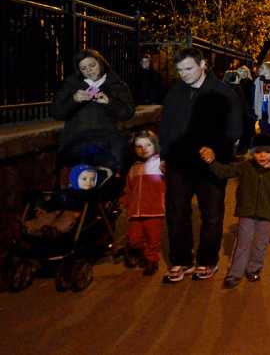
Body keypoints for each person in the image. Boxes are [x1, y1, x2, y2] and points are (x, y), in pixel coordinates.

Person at [159, 47, 243, 283]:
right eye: (179, 70)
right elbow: (165, 127)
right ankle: (180, 260)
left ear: (203, 65)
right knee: (176, 212)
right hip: (179, 162)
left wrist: (217, 150)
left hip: (210, 163)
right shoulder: (175, 93)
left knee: (212, 214)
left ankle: (207, 261)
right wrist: (164, 155)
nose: (184, 74)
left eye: (188, 68)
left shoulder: (224, 93)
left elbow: (234, 129)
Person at [199, 134, 270, 289]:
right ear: (253, 153)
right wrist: (212, 162)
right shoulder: (246, 167)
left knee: (260, 244)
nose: (262, 155)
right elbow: (225, 171)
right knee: (243, 243)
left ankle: (254, 269)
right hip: (247, 212)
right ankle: (235, 274)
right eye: (258, 152)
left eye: (266, 152)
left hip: (267, 214)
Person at [50, 49, 134, 173]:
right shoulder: (71, 84)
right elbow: (56, 113)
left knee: (108, 180)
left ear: (100, 63)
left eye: (92, 65)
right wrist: (74, 100)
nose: (89, 70)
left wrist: (109, 102)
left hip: (108, 142)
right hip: (78, 141)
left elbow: (128, 113)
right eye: (83, 68)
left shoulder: (116, 84)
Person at [121, 130, 165, 276]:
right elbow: (128, 189)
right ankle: (139, 252)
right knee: (134, 238)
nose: (143, 149)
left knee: (153, 238)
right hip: (135, 212)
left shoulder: (160, 165)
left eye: (148, 145)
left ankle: (152, 261)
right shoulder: (134, 168)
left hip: (155, 210)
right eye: (139, 146)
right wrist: (126, 203)